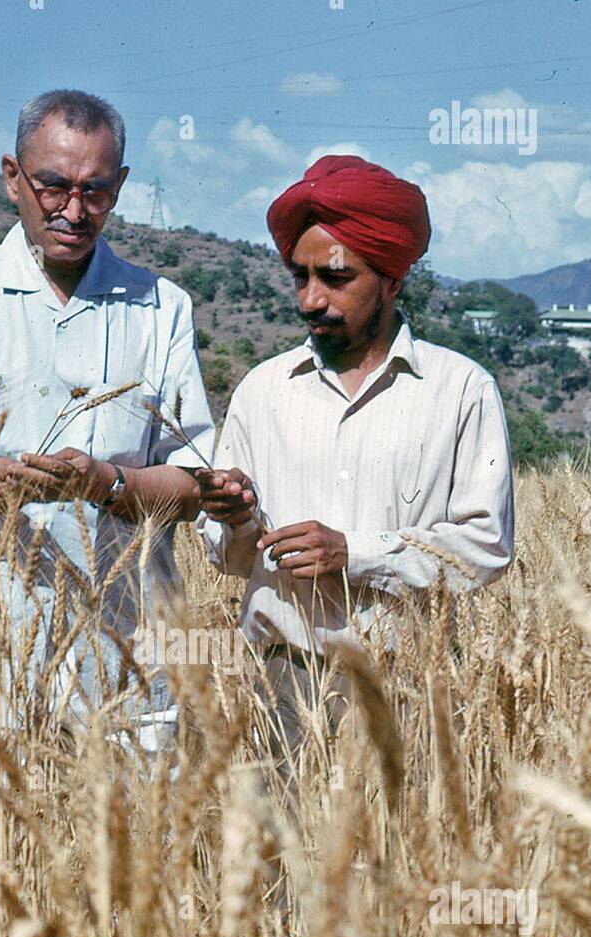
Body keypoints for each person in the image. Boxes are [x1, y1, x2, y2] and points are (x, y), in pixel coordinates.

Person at [0, 89, 217, 757]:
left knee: (132, 852)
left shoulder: (162, 308)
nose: (74, 211)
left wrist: (105, 484)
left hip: (127, 649)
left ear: (121, 186)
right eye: (53, 186)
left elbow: (194, 484)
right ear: (11, 177)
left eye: (97, 192)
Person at [197, 154, 515, 771]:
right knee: (278, 865)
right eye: (300, 277)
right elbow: (232, 561)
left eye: (336, 278)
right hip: (279, 686)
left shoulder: (461, 390)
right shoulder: (262, 392)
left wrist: (356, 555)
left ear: (392, 280)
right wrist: (236, 519)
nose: (311, 300)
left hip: (407, 687)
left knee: (400, 862)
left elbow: (487, 546)